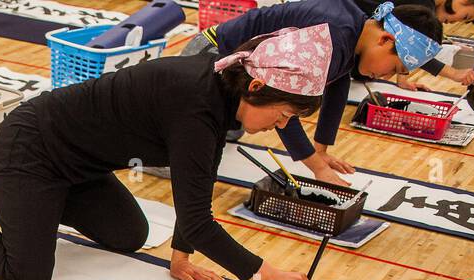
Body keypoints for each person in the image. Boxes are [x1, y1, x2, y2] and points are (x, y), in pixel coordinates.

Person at [0, 28, 332, 280]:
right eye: (282, 115)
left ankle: (17, 211)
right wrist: (267, 274)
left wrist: (181, 257)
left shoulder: (219, 93)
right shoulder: (197, 105)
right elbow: (199, 220)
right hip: (32, 148)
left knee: (130, 235)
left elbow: (195, 189)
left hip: (80, 165)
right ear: (257, 86)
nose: (282, 125)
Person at [181, 1, 454, 185]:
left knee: (231, 130)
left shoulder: (354, 32)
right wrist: (317, 167)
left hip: (236, 67)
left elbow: (338, 84)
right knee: (190, 155)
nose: (387, 77)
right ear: (385, 40)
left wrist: (321, 148)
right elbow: (281, 102)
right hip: (213, 56)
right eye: (394, 68)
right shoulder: (334, 35)